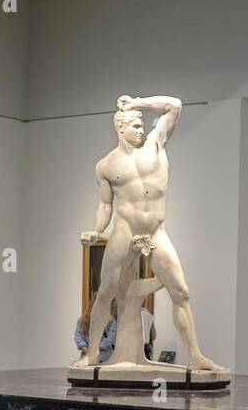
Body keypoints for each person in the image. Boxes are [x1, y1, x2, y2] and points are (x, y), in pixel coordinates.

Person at [75, 94, 222, 371]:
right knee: (105, 292)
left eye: (143, 125)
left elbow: (175, 105)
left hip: (156, 232)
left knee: (181, 291)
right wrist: (96, 231)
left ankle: (196, 355)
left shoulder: (156, 143)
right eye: (135, 125)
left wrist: (137, 103)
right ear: (121, 128)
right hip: (124, 231)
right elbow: (105, 204)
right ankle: (91, 354)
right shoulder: (105, 165)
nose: (142, 130)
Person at [95, 299, 158, 364]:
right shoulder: (148, 315)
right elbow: (153, 336)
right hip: (145, 347)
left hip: (133, 347)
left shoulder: (130, 315)